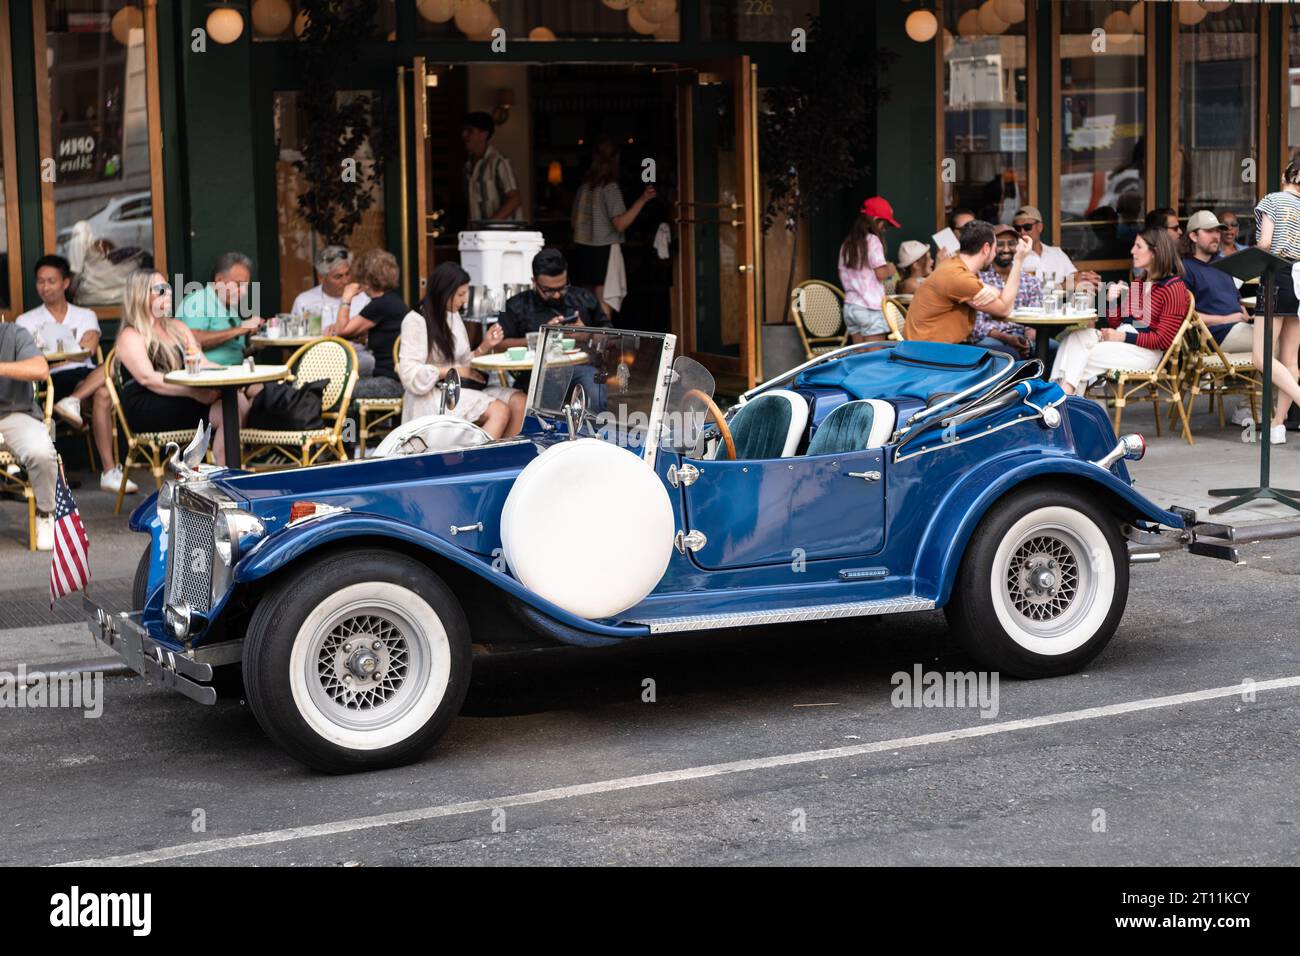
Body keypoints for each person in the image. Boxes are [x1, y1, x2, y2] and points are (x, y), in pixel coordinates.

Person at [15, 254, 135, 493]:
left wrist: (54, 352)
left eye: (51, 280)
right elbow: (33, 360)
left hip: (83, 375)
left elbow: (89, 348)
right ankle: (108, 469)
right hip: (49, 379)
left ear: (65, 283)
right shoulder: (26, 320)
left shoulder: (85, 315)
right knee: (101, 390)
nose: (45, 287)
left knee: (108, 372)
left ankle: (108, 470)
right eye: (40, 281)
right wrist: (73, 350)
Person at [115, 270, 235, 465]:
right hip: (148, 404)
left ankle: (222, 469)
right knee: (228, 408)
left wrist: (232, 376)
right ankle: (220, 470)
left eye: (168, 289)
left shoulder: (177, 328)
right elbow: (148, 378)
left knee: (234, 402)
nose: (169, 294)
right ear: (140, 295)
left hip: (182, 398)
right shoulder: (131, 335)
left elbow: (202, 362)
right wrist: (193, 393)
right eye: (160, 290)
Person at [1050, 228, 1189, 396]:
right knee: (1073, 338)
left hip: (1145, 353)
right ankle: (1066, 399)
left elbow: (1163, 340)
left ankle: (1060, 399)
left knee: (1080, 356)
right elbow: (1116, 323)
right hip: (1123, 343)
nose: (1132, 251)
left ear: (1155, 252)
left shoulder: (1173, 288)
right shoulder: (1141, 282)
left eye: (1138, 247)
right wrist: (1112, 300)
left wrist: (1122, 337)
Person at [399, 261, 525, 438]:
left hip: (460, 387)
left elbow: (463, 361)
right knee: (499, 411)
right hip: (432, 394)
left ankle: (505, 461)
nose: (464, 300)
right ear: (444, 293)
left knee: (520, 402)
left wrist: (485, 345)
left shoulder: (452, 315)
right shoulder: (416, 321)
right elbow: (409, 375)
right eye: (460, 294)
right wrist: (454, 371)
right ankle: (476, 463)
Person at [497, 248, 610, 396]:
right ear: (534, 282)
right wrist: (541, 337)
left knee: (595, 388)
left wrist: (587, 334)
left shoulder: (584, 298)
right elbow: (498, 346)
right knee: (544, 391)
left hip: (580, 368)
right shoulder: (514, 306)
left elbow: (612, 338)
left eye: (562, 288)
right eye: (548, 290)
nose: (557, 295)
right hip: (535, 371)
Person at [905, 220, 1031, 345]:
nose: (995, 252)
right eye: (995, 247)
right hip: (929, 354)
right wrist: (1019, 260)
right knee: (1008, 356)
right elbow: (1004, 310)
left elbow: (999, 302)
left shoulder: (954, 266)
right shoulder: (958, 277)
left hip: (929, 348)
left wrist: (994, 290)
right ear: (986, 248)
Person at [571, 135, 655, 320]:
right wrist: (643, 199)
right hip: (605, 249)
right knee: (604, 303)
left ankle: (588, 344)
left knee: (586, 302)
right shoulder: (610, 188)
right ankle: (602, 346)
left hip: (583, 247)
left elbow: (573, 221)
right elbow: (620, 224)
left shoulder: (584, 188)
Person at [1251, 158, 1300, 444]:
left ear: (1285, 175)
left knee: (1261, 356)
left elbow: (1266, 244)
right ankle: (1278, 424)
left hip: (1277, 273)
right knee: (1290, 359)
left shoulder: (1272, 200)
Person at [0, 322, 57, 550]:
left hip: (15, 414)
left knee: (41, 452)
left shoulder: (14, 333)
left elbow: (40, 369)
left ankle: (45, 513)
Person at [329, 249, 407, 399]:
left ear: (366, 280)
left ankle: (348, 423)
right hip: (394, 378)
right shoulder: (391, 300)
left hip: (391, 382)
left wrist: (346, 297)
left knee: (336, 389)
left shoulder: (380, 305)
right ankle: (356, 423)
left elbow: (342, 330)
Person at [970, 224, 1052, 361]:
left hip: (1022, 335)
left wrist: (1026, 340)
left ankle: (1047, 382)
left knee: (1052, 347)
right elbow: (976, 325)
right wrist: (1008, 339)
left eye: (1012, 244)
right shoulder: (978, 279)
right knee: (993, 350)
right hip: (992, 337)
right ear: (989, 248)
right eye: (1000, 244)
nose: (1006, 249)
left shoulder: (1031, 281)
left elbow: (1037, 318)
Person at [1179, 210, 1252, 353]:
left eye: (1217, 231)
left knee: (1278, 337)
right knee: (1269, 344)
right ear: (1193, 236)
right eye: (1209, 231)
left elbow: (1236, 299)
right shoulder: (1185, 268)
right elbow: (1184, 315)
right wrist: (1228, 319)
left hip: (1239, 327)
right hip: (1214, 337)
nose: (1216, 236)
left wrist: (1244, 313)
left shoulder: (1221, 263)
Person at [178, 252, 264, 366]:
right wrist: (241, 328)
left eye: (245, 286)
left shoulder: (229, 307)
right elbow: (192, 340)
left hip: (235, 375)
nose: (243, 292)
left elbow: (234, 353)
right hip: (207, 378)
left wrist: (255, 346)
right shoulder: (198, 300)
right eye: (238, 285)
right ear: (219, 280)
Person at [838, 197, 899, 343]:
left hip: (851, 307)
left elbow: (842, 273)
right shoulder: (873, 241)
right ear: (877, 221)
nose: (885, 230)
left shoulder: (847, 244)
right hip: (870, 307)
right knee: (874, 359)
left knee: (860, 359)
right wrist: (890, 269)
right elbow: (881, 274)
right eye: (885, 225)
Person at [291, 245, 370, 330]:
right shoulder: (303, 302)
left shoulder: (363, 299)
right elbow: (294, 336)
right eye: (338, 277)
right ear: (321, 277)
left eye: (347, 274)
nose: (345, 281)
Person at [462, 112, 520, 223]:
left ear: (484, 135)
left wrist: (489, 226)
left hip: (500, 236)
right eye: (464, 130)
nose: (464, 134)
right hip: (478, 235)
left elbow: (514, 199)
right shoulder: (467, 167)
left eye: (470, 131)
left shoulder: (499, 162)